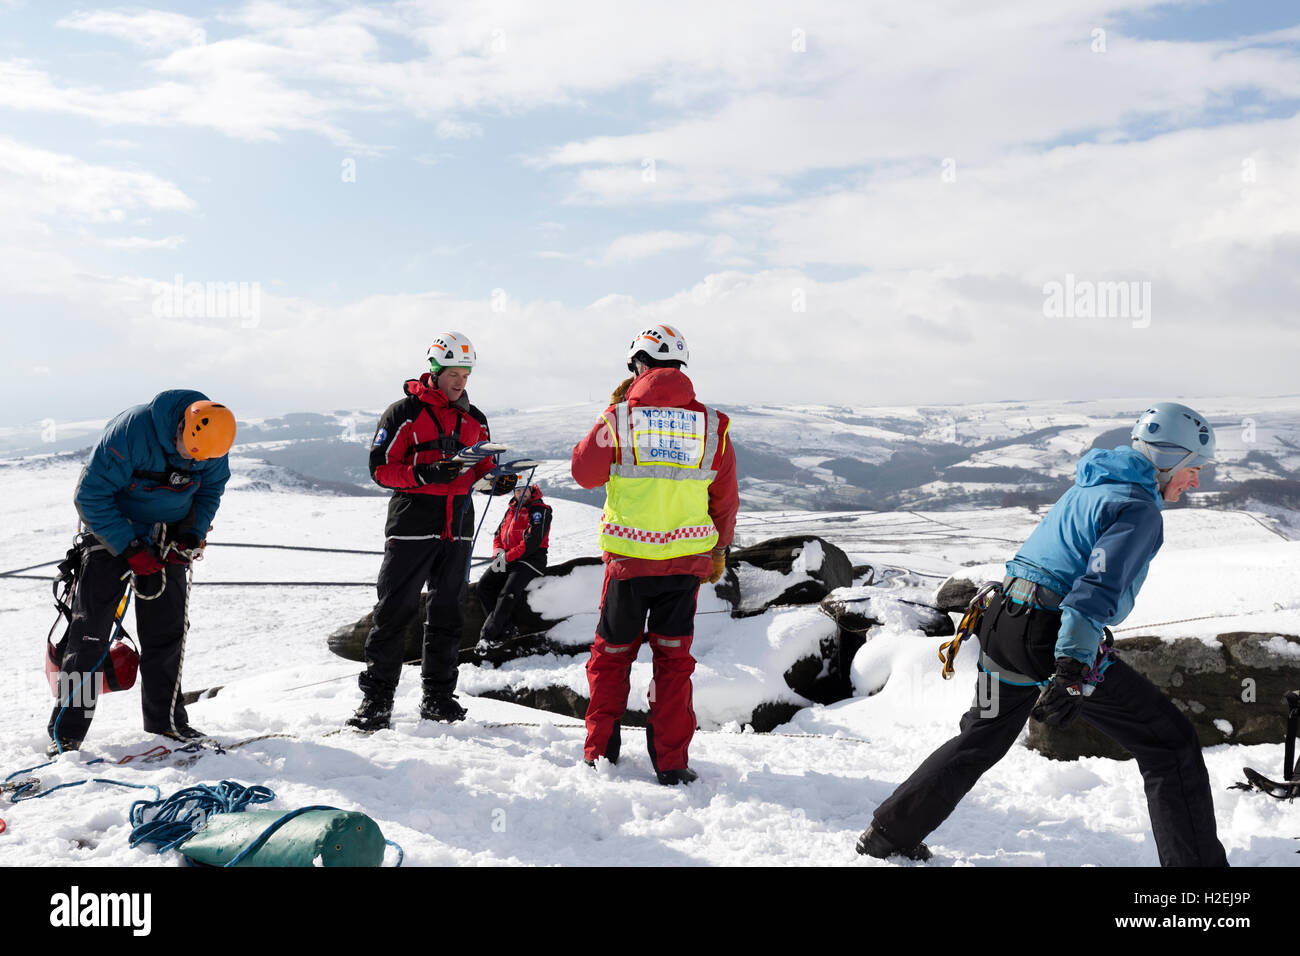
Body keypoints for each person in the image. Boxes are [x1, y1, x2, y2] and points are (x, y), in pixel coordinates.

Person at [860, 402, 1228, 866]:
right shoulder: (1137, 509)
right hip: (1050, 637)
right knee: (1169, 743)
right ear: (1169, 459)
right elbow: (1091, 594)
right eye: (1194, 468)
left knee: (983, 736)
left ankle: (888, 833)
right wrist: (1072, 669)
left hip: (1002, 622)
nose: (1197, 480)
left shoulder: (1092, 485)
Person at [571, 325, 738, 785]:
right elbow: (724, 500)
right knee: (674, 662)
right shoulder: (713, 426)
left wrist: (611, 413)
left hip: (629, 566)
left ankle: (600, 752)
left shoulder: (620, 419)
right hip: (685, 568)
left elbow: (583, 473)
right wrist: (719, 548)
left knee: (611, 658)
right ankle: (672, 763)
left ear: (638, 366)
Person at [47, 391, 235, 755]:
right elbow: (90, 497)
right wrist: (130, 548)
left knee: (168, 633)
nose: (188, 459)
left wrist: (191, 535)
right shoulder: (131, 432)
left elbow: (211, 490)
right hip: (111, 532)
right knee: (89, 638)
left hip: (168, 536)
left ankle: (167, 721)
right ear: (181, 426)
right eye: (185, 449)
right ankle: (66, 732)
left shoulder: (212, 443)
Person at [349, 332, 518, 731]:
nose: (461, 382)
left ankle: (438, 699)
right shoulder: (402, 413)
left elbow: (481, 471)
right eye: (454, 374)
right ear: (435, 371)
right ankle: (376, 703)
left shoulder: (475, 419)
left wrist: (497, 481)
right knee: (393, 613)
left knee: (448, 614)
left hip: (458, 527)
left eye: (466, 374)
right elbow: (380, 470)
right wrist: (423, 473)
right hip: (411, 526)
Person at [476, 482, 553, 650]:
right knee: (484, 585)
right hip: (508, 558)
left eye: (525, 489)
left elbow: (532, 542)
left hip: (531, 560)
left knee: (508, 592)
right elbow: (499, 533)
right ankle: (507, 627)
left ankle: (488, 636)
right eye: (518, 490)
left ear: (531, 489)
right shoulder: (512, 509)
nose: (521, 493)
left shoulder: (540, 510)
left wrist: (506, 558)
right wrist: (498, 553)